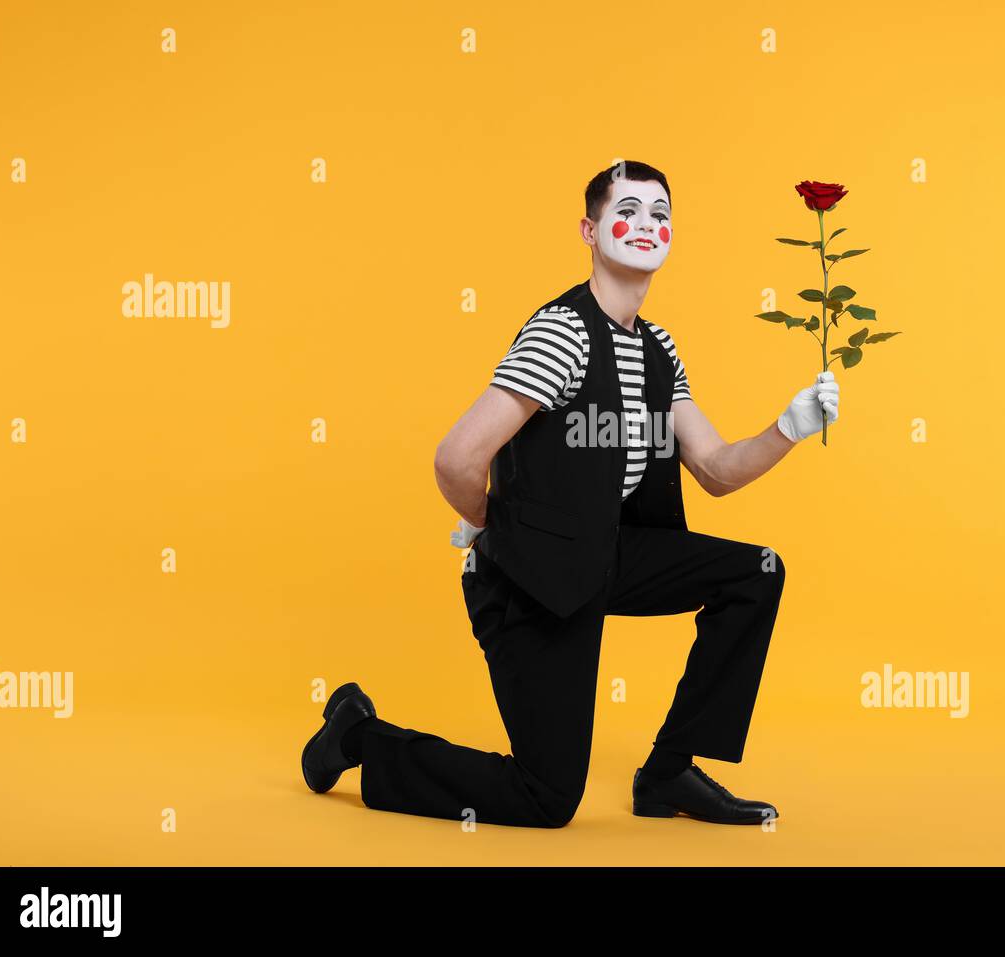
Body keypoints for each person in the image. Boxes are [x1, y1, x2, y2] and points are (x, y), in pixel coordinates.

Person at [301, 160, 839, 827]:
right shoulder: (565, 333)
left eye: (661, 215)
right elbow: (457, 458)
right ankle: (358, 736)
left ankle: (668, 771)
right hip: (535, 576)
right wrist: (493, 527)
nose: (648, 225)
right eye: (631, 210)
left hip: (606, 555)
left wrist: (789, 428)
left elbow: (716, 469)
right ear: (589, 229)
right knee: (547, 796)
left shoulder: (657, 348)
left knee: (755, 574)